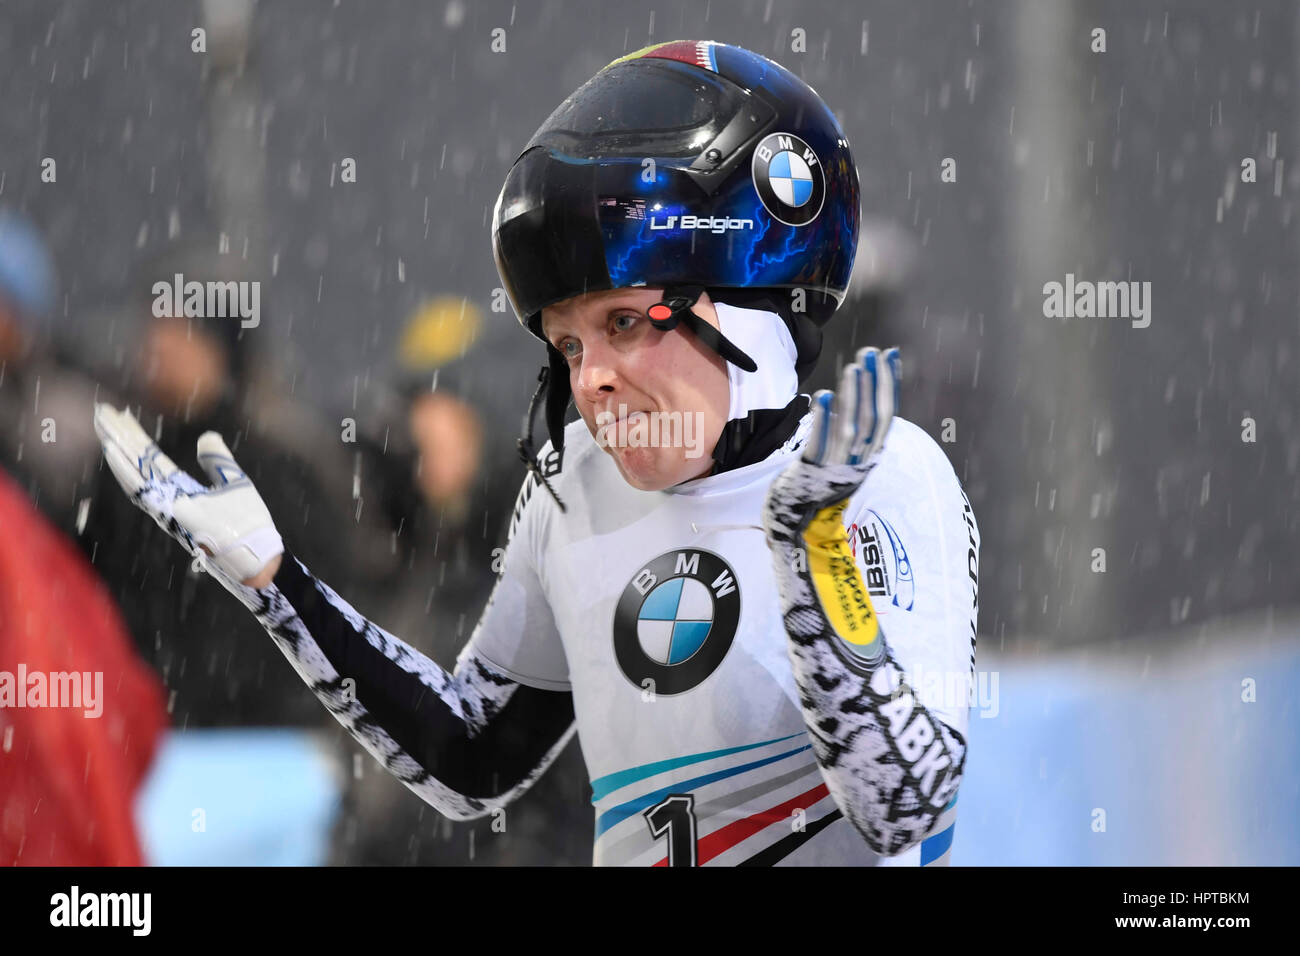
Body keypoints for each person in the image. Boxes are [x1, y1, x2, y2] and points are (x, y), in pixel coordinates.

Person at [92, 40, 980, 866]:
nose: (590, 380)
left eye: (626, 322)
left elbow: (906, 808)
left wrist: (812, 546)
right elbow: (471, 759)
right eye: (568, 344)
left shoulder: (883, 473)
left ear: (754, 299)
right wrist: (275, 582)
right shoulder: (573, 488)